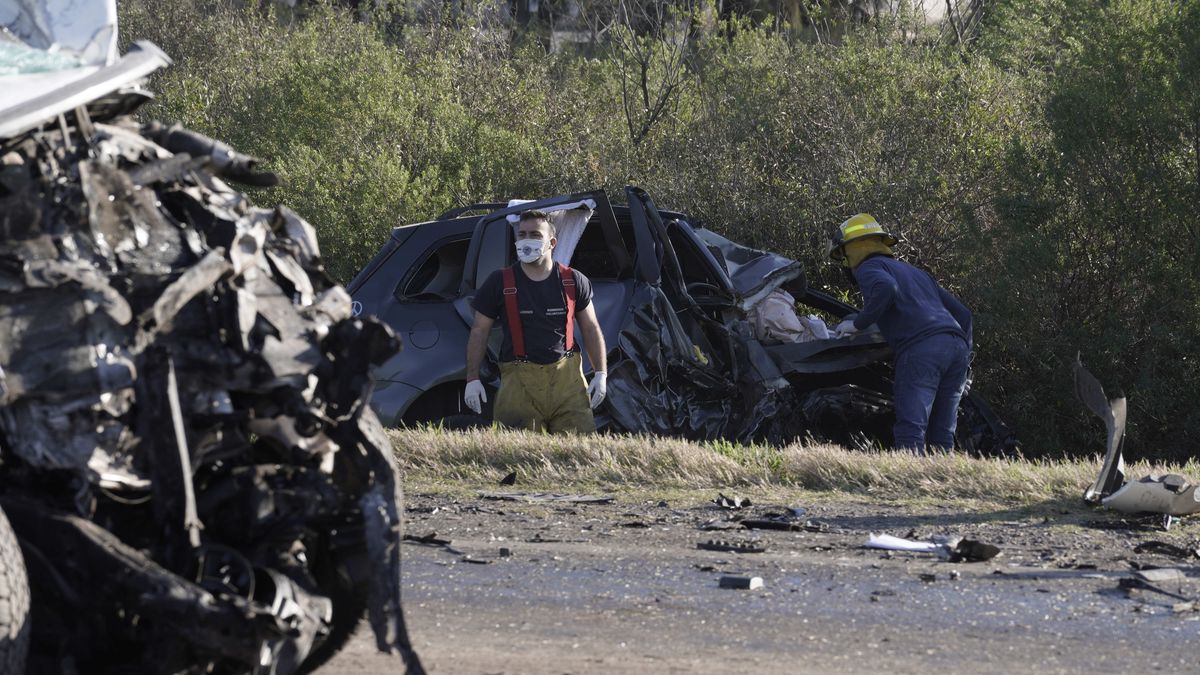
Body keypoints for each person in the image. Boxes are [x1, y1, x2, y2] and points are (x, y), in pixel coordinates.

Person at [829, 213, 973, 454]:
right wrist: (968, 363)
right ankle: (942, 486)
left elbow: (886, 289)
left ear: (850, 251)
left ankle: (909, 485)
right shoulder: (916, 273)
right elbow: (964, 314)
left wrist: (858, 325)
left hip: (921, 350)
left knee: (911, 426)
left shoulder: (868, 267)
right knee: (942, 433)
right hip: (956, 349)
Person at [463, 210, 608, 433]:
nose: (526, 240)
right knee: (517, 458)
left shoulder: (573, 280)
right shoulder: (499, 281)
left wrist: (601, 373)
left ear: (552, 242)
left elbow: (590, 327)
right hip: (519, 386)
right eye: (522, 235)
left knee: (577, 455)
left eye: (535, 235)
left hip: (568, 383)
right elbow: (479, 331)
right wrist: (472, 378)